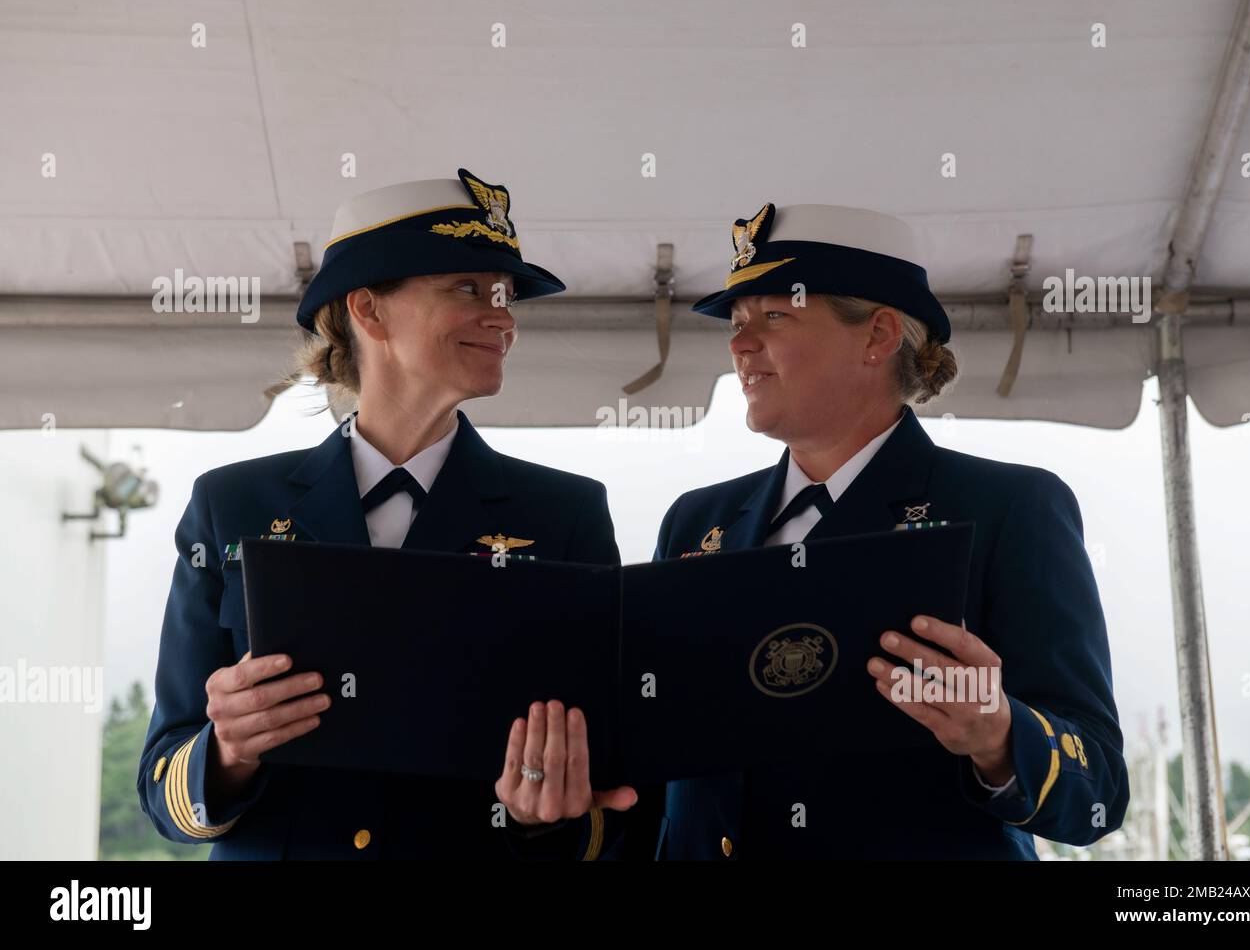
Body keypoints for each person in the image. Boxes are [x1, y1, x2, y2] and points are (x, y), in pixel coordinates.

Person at [137, 169, 631, 859]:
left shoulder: (567, 514)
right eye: (470, 289)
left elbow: (608, 790)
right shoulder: (231, 506)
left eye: (507, 298)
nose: (504, 317)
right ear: (368, 310)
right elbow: (164, 783)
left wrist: (537, 814)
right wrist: (227, 749)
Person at [631, 201, 1129, 858]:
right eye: (736, 321)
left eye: (774, 315)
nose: (740, 343)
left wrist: (1001, 737)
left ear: (879, 335)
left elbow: (1099, 793)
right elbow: (650, 769)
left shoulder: (1010, 508)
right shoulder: (697, 522)